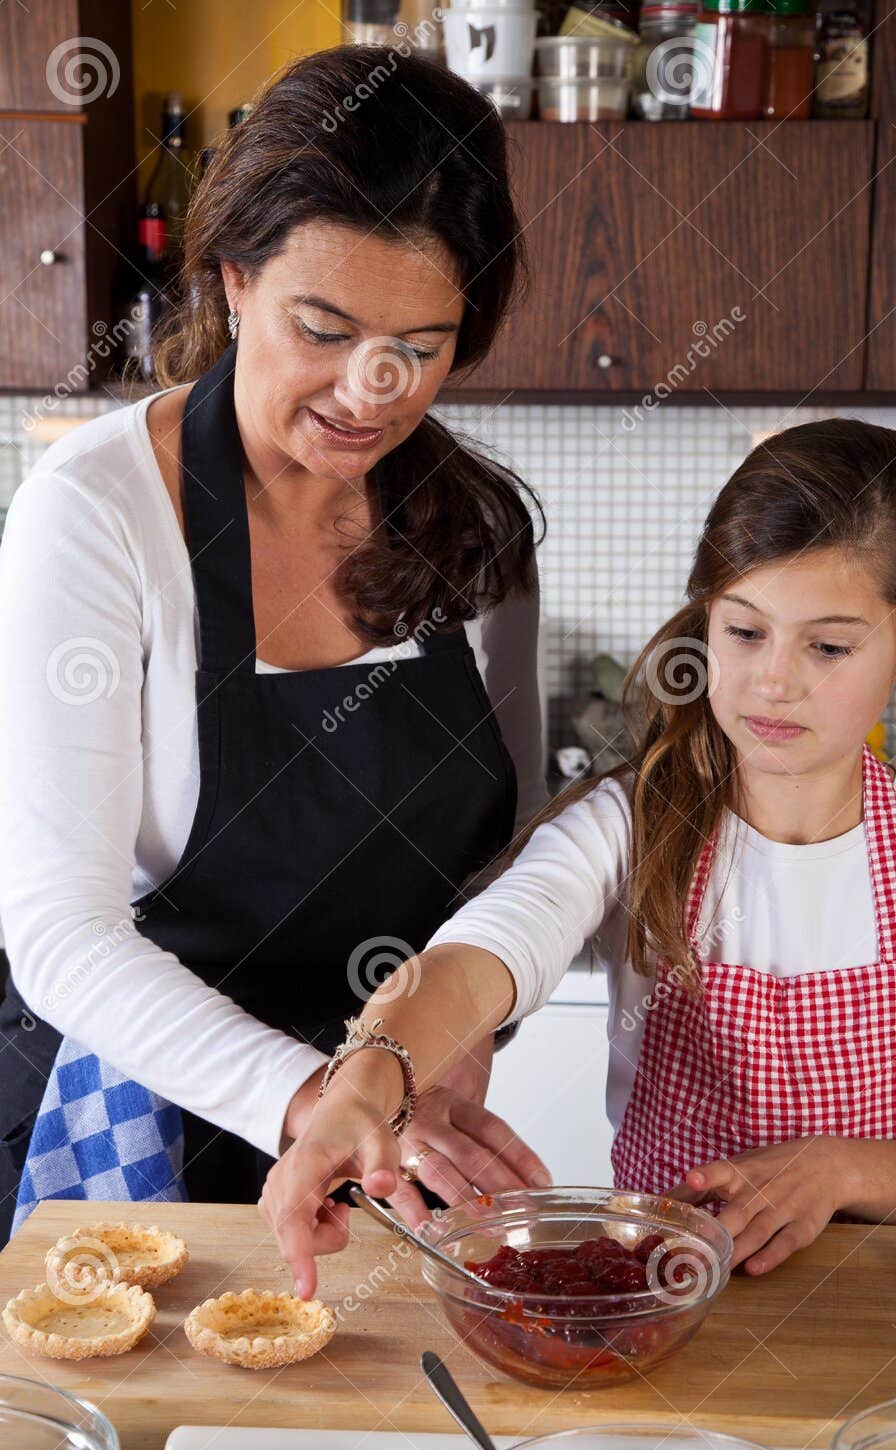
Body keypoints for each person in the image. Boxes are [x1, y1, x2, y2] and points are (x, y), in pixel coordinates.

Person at [261, 419, 896, 1297]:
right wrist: (361, 1088)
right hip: (662, 1303)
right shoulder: (633, 823)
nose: (772, 681)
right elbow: (478, 955)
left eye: (827, 646)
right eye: (744, 632)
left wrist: (838, 1172)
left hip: (889, 1317)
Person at [0, 46, 551, 1244]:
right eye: (325, 326)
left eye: (424, 340)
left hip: (400, 1131)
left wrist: (444, 1039)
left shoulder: (476, 532)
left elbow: (509, 850)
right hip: (137, 1125)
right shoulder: (95, 511)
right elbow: (59, 930)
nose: (373, 387)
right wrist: (316, 1098)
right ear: (233, 278)